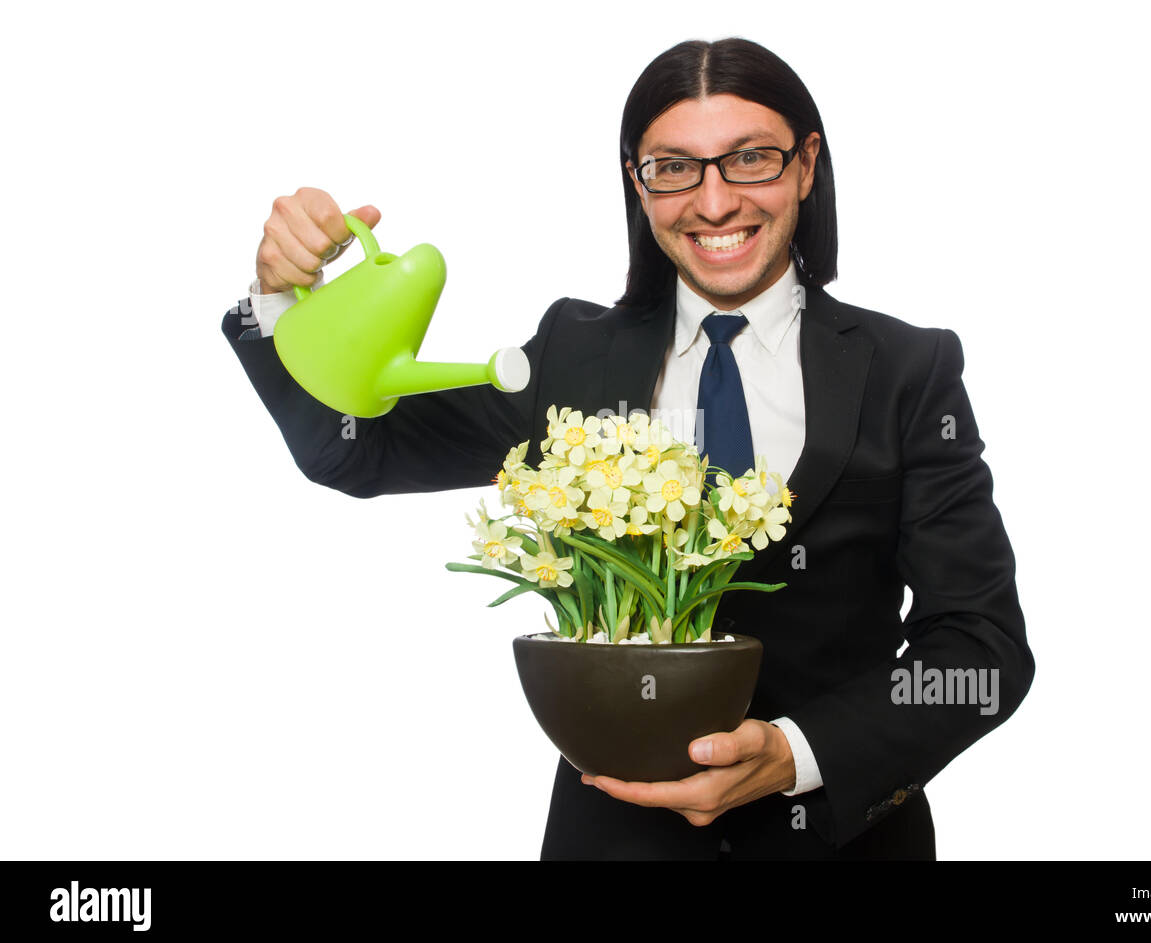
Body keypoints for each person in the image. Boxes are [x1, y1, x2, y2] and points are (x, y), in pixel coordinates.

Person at [221, 37, 1034, 860]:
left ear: (806, 164)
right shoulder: (571, 356)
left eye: (750, 159)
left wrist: (796, 753)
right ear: (636, 182)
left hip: (845, 842)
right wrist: (284, 301)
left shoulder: (906, 371)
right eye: (675, 167)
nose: (714, 203)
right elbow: (348, 447)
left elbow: (980, 648)